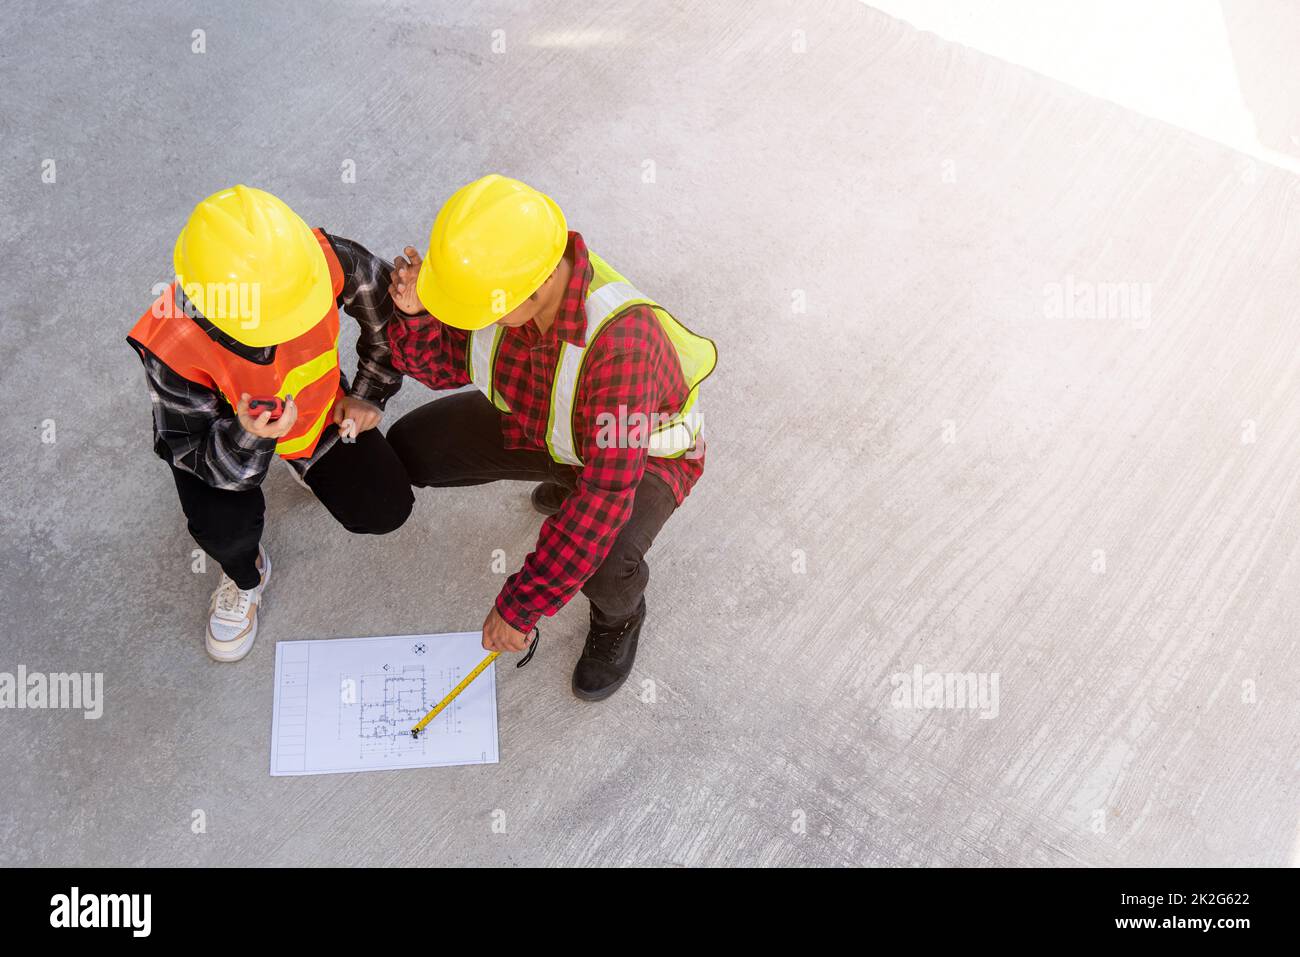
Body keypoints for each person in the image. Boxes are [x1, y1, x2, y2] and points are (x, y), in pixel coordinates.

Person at [385, 174, 716, 700]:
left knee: (603, 556)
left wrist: (522, 605)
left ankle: (621, 615)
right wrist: (416, 314)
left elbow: (607, 495)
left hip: (643, 459)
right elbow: (441, 364)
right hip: (552, 427)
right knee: (410, 450)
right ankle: (564, 478)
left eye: (482, 311)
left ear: (533, 289)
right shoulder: (501, 282)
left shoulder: (622, 346)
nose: (475, 322)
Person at [128, 185, 411, 661]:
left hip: (321, 414)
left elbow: (388, 322)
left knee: (384, 507)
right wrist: (250, 436)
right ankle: (245, 573)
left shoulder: (321, 260)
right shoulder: (171, 338)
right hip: (222, 444)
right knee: (222, 529)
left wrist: (368, 393)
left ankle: (303, 460)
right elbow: (194, 452)